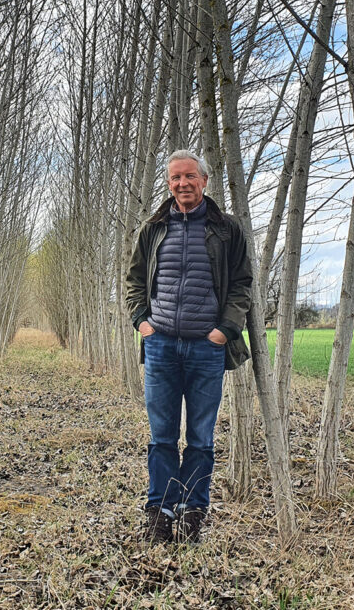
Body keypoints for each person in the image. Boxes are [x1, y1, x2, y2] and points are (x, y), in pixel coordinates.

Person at [124, 149, 252, 544]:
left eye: (190, 176)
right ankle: (160, 511)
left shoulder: (227, 230)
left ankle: (194, 510)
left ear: (204, 180)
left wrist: (224, 330)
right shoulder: (153, 228)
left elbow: (242, 285)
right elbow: (133, 281)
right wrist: (142, 323)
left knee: (200, 437)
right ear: (169, 183)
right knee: (162, 436)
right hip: (160, 346)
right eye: (176, 178)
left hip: (206, 349)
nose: (182, 184)